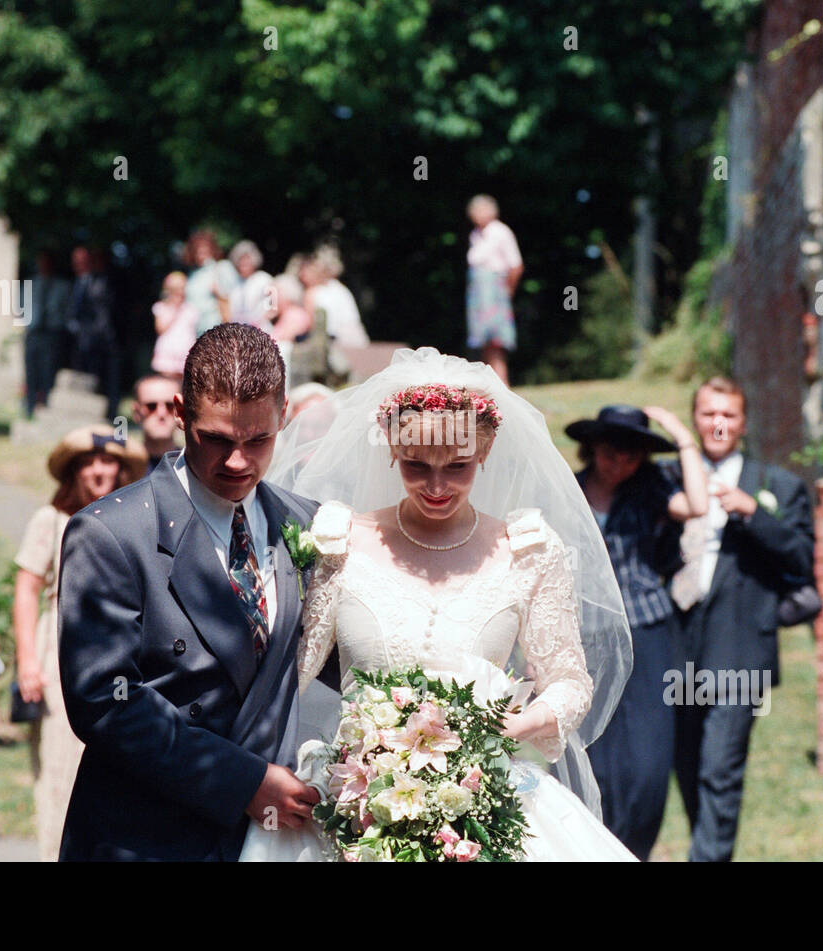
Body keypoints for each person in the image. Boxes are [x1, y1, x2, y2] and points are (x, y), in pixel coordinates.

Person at [239, 346, 637, 862]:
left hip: (483, 794)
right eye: (416, 465)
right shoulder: (341, 542)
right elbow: (288, 675)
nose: (436, 486)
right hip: (356, 797)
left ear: (485, 454)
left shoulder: (529, 552)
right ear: (389, 449)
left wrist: (508, 728)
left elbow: (569, 681)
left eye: (458, 467)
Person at [56, 323, 321, 861]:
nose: (238, 462)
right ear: (180, 413)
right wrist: (243, 781)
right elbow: (104, 701)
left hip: (274, 838)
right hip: (149, 833)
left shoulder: (308, 522)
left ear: (284, 414)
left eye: (258, 440)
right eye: (217, 438)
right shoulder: (111, 532)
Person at [667, 377, 815, 861]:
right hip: (675, 642)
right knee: (686, 767)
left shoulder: (779, 486)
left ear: (743, 423)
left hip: (739, 646)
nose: (718, 424)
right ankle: (709, 852)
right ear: (695, 418)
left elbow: (800, 560)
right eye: (710, 414)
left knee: (719, 769)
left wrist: (755, 514)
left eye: (728, 415)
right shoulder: (668, 477)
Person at [565, 405, 707, 860]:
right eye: (610, 452)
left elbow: (698, 505)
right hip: (583, 634)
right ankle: (593, 846)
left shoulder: (652, 490)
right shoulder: (567, 488)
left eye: (631, 456)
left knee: (648, 760)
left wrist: (683, 438)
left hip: (647, 630)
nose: (619, 463)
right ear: (593, 448)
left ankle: (634, 850)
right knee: (591, 751)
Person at [13, 425, 146, 861]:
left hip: (123, 652)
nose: (99, 471)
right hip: (60, 651)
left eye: (108, 461)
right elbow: (27, 588)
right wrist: (27, 661)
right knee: (60, 766)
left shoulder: (133, 518)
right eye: (88, 462)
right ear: (73, 472)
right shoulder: (50, 520)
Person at [465, 195, 522, 384]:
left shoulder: (500, 231)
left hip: (495, 291)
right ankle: (490, 387)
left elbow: (516, 265)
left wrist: (507, 291)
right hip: (479, 293)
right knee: (484, 344)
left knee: (496, 342)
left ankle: (502, 385)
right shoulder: (475, 235)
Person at [66, 245, 121, 420]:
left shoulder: (111, 282)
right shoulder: (87, 281)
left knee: (110, 380)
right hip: (90, 340)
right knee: (90, 377)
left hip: (109, 339)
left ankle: (111, 415)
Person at [21, 250, 71, 418]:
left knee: (48, 371)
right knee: (31, 371)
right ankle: (29, 407)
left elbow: (68, 311)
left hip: (52, 334)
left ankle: (47, 407)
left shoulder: (63, 286)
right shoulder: (31, 284)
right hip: (33, 333)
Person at [302, 247, 369, 349]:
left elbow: (311, 325)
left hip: (336, 344)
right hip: (357, 341)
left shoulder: (315, 292)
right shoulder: (340, 289)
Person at [185, 230, 240, 335]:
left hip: (215, 328)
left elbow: (234, 297)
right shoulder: (192, 274)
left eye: (205, 250)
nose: (201, 254)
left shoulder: (221, 268)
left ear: (212, 249)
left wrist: (218, 292)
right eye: (197, 250)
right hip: (195, 330)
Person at [150, 271, 199, 382]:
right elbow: (160, 328)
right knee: (167, 380)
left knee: (184, 381)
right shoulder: (162, 307)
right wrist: (174, 310)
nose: (179, 293)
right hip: (168, 349)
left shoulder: (190, 308)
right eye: (176, 290)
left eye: (181, 289)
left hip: (185, 349)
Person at [131, 373, 182, 470]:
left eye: (170, 406)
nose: (161, 413)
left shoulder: (196, 469)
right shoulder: (122, 470)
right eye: (151, 406)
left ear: (180, 411)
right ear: (136, 412)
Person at [227, 241, 276, 329]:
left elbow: (274, 306)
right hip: (238, 330)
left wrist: (260, 321)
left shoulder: (263, 279)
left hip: (260, 330)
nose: (243, 263)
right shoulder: (234, 281)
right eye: (240, 259)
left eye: (247, 259)